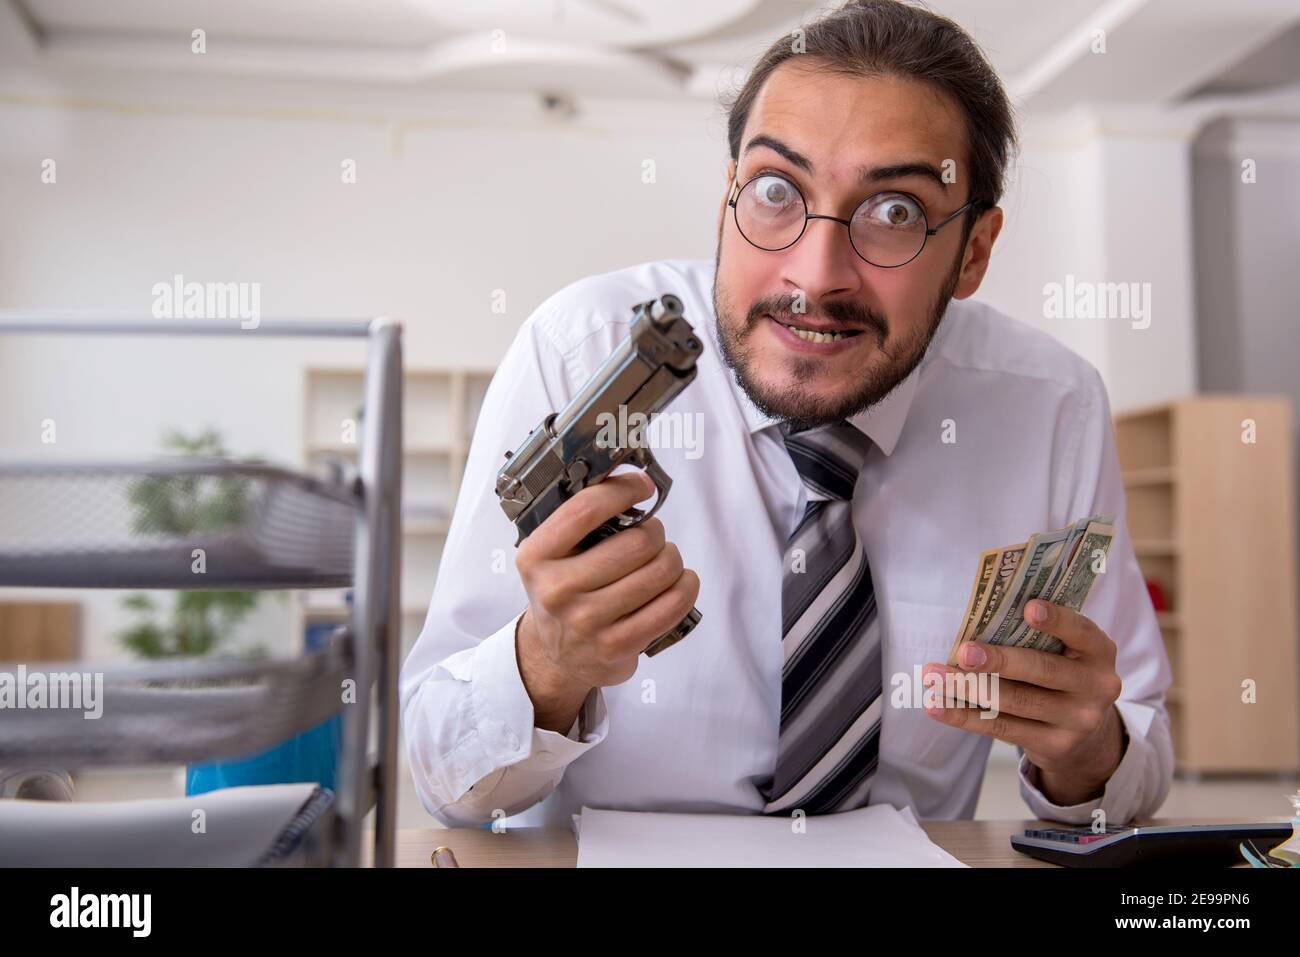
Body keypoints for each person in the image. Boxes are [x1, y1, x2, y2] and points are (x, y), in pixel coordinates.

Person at [400, 0, 1173, 829]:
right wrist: (546, 665)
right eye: (776, 191)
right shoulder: (575, 348)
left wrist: (1087, 750)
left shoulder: (1052, 404)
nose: (815, 275)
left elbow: (1136, 756)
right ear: (729, 193)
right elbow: (441, 785)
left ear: (973, 252)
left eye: (896, 213)